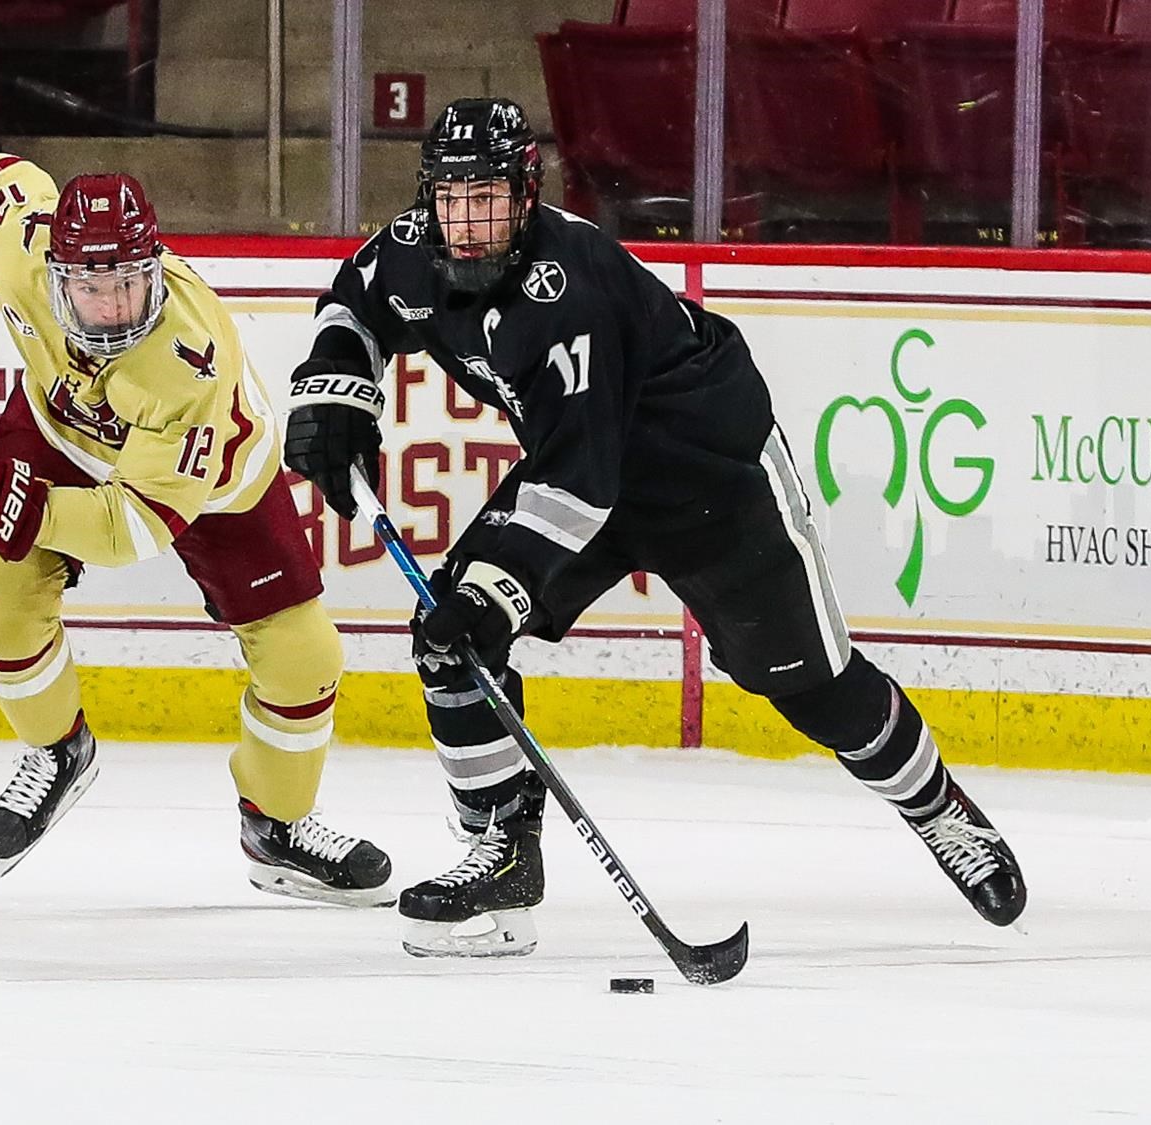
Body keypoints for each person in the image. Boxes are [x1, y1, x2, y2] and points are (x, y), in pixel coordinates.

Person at [284, 99, 1026, 957]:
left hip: (710, 476)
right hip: (586, 462)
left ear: (525, 195)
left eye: (486, 198)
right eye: (451, 198)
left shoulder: (571, 285)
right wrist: (336, 390)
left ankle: (937, 807)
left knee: (813, 686)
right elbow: (354, 302)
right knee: (449, 634)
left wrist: (496, 589)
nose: (468, 221)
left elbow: (578, 480)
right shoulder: (420, 248)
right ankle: (503, 856)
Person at [0, 156, 393, 905]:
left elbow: (132, 527)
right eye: (92, 288)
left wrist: (8, 503)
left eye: (130, 282)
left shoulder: (188, 367)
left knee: (303, 655)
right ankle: (60, 750)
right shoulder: (27, 245)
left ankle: (277, 826)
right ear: (56, 274)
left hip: (212, 478)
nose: (115, 306)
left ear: (154, 270)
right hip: (62, 433)